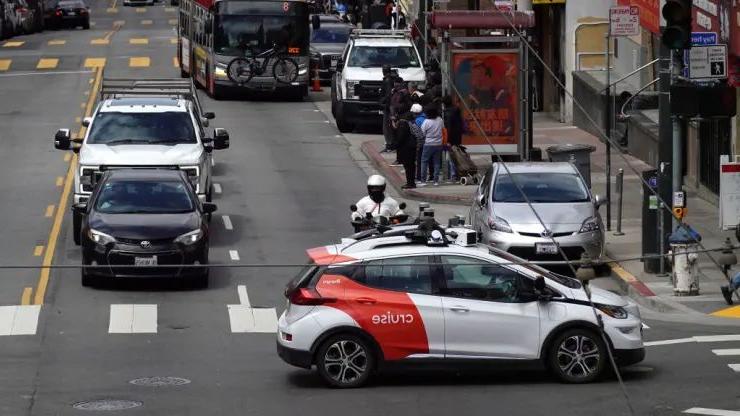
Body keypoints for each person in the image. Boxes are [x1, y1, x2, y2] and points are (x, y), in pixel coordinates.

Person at [419, 105, 444, 186]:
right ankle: (435, 180)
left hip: (428, 143)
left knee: (424, 161)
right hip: (438, 143)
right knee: (436, 162)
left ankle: (423, 180)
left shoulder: (426, 122)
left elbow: (422, 133)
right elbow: (443, 129)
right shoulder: (440, 120)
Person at [394, 112, 418, 189]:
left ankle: (410, 183)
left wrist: (396, 145)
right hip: (412, 147)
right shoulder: (412, 124)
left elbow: (401, 137)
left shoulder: (403, 124)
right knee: (411, 166)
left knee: (408, 166)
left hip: (407, 148)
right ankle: (411, 182)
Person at [442, 95, 463, 181]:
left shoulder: (447, 113)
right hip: (457, 136)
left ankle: (454, 175)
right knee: (456, 155)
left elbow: (449, 127)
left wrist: (448, 139)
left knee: (451, 157)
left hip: (451, 138)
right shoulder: (456, 110)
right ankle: (457, 173)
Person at [379, 65, 395, 152]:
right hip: (389, 106)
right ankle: (389, 144)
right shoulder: (389, 79)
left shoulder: (388, 80)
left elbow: (388, 94)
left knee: (387, 127)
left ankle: (389, 145)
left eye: (384, 70)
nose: (383, 71)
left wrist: (384, 103)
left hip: (388, 107)